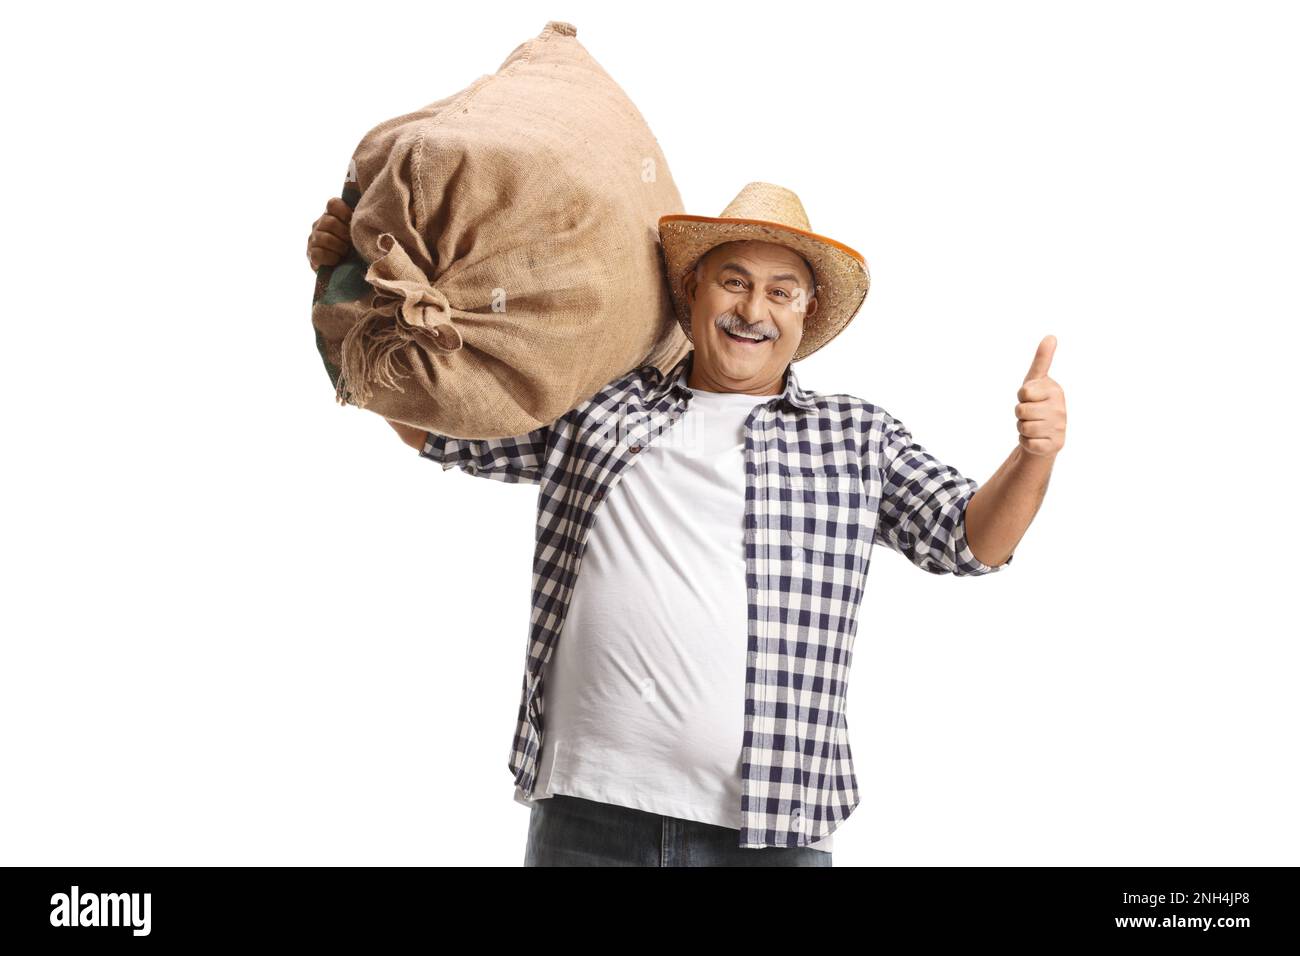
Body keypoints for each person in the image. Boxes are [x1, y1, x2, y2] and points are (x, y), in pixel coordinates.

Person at [305, 182, 1066, 866]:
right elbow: (433, 424)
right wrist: (340, 289)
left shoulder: (855, 438)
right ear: (694, 289)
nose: (752, 310)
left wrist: (1034, 454)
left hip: (766, 834)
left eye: (781, 291)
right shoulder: (600, 404)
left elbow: (971, 540)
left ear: (806, 312)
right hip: (586, 814)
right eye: (733, 282)